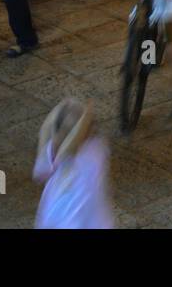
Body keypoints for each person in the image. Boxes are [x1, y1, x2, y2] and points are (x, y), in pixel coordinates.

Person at [32, 98, 114, 229]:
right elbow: (66, 150)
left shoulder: (94, 148)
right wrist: (86, 118)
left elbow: (46, 131)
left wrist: (66, 112)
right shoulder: (94, 151)